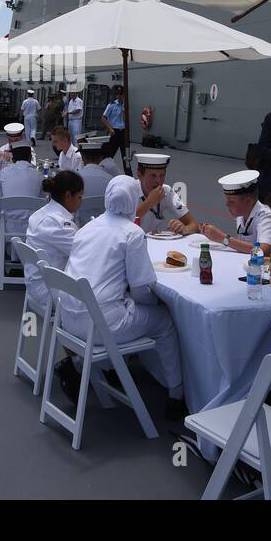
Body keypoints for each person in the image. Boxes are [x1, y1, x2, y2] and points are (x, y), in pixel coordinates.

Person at [58, 175, 185, 418]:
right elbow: (141, 290)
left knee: (125, 305)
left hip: (69, 322)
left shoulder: (87, 228)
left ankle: (101, 367)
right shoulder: (132, 233)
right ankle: (176, 394)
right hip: (102, 326)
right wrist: (156, 305)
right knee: (165, 320)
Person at [26, 170, 83, 311]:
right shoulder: (58, 224)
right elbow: (83, 253)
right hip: (50, 289)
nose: (81, 202)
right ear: (68, 195)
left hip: (36, 283)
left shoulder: (41, 213)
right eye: (80, 197)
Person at [199, 169, 271, 257]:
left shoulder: (267, 216)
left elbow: (263, 251)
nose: (226, 204)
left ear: (247, 201)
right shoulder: (241, 216)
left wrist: (223, 239)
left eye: (231, 201)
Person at [134, 152, 197, 234]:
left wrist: (184, 228)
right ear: (139, 175)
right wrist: (149, 202)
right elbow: (122, 224)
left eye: (162, 175)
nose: (158, 181)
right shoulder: (129, 191)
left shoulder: (167, 191)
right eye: (153, 176)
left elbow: (194, 224)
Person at [101, 86, 126, 160]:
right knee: (109, 155)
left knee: (125, 156)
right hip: (114, 132)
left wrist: (124, 109)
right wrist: (110, 129)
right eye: (117, 94)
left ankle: (128, 171)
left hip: (123, 133)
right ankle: (103, 169)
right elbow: (103, 118)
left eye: (121, 94)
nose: (119, 96)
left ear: (124, 94)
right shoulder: (111, 105)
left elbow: (126, 121)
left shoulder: (126, 105)